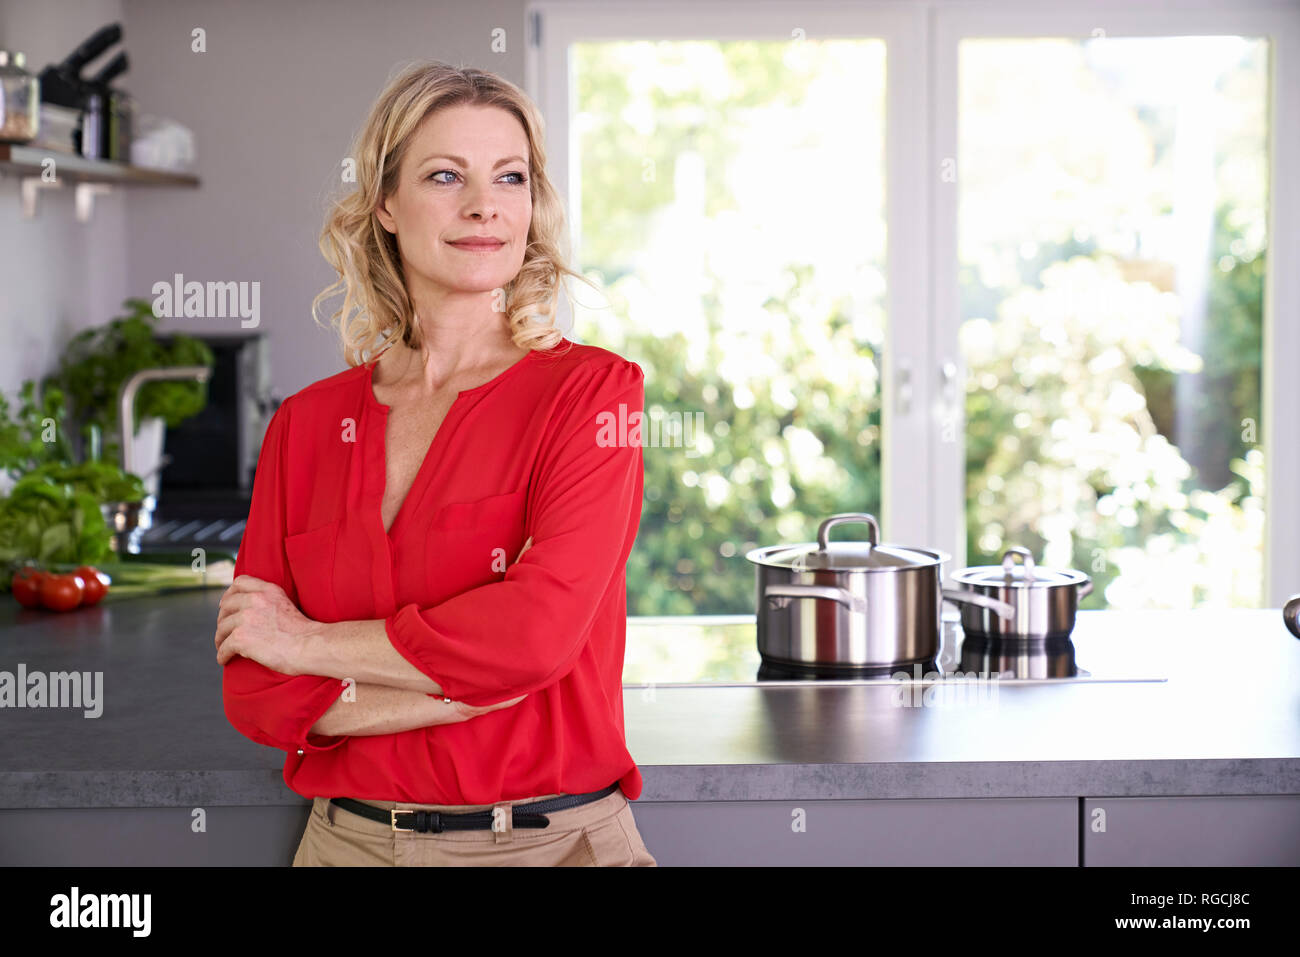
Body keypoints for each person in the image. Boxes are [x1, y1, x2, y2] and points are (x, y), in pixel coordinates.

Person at [213, 60, 656, 866]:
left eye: (510, 177)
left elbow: (533, 639)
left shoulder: (594, 397)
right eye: (445, 175)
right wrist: (462, 686)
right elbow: (252, 687)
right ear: (384, 203)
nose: (485, 205)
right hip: (343, 844)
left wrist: (306, 643)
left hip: (548, 845)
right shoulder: (305, 427)